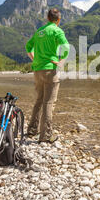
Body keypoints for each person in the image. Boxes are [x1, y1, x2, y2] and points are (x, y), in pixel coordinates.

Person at [25, 8, 69, 144]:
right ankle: (46, 135)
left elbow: (28, 46)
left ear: (47, 18)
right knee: (49, 102)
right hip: (50, 69)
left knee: (39, 100)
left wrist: (34, 60)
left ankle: (32, 130)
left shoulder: (39, 31)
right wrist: (61, 62)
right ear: (58, 19)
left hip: (37, 70)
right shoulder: (57, 30)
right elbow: (66, 47)